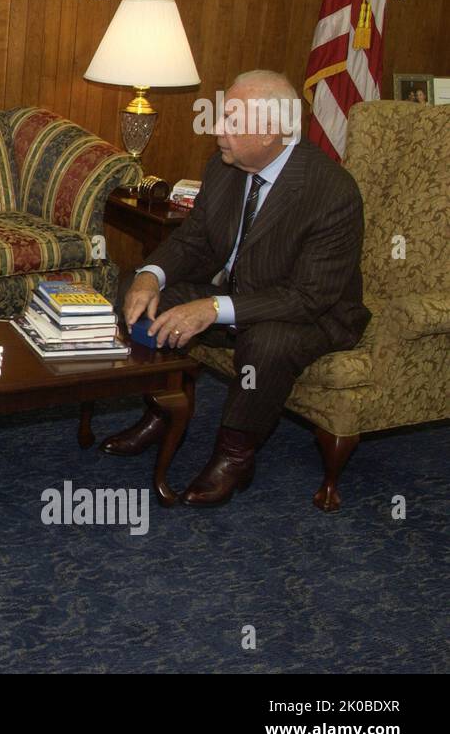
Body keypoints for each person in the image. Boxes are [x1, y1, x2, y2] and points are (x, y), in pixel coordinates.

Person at [104, 70, 371, 506]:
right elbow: (194, 242)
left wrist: (212, 307)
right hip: (233, 293)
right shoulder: (225, 168)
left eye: (231, 120)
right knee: (136, 291)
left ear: (271, 131)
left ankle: (234, 455)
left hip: (311, 313)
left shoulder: (331, 191)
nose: (216, 130)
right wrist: (151, 275)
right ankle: (161, 407)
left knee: (268, 341)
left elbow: (307, 297)